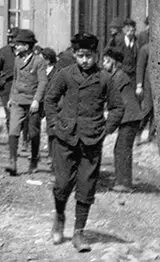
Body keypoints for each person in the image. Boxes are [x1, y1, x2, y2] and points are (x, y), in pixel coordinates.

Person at [45, 33, 125, 252]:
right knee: (61, 185)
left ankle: (79, 232)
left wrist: (107, 129)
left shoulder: (104, 79)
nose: (85, 60)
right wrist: (54, 123)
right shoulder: (64, 75)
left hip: (91, 139)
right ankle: (59, 215)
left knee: (86, 187)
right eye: (80, 56)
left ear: (96, 55)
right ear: (74, 54)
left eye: (89, 56)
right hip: (65, 137)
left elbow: (118, 107)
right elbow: (50, 99)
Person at [4, 29, 47, 176]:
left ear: (27, 46)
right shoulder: (17, 60)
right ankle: (12, 162)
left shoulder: (39, 61)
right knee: (13, 129)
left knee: (34, 133)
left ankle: (34, 159)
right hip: (18, 99)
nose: (16, 46)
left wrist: (36, 100)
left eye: (19, 44)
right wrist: (11, 97)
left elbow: (42, 82)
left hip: (32, 101)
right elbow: (15, 80)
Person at [100, 47, 142, 193]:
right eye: (103, 61)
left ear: (115, 63)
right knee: (120, 149)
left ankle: (125, 184)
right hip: (128, 118)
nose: (104, 64)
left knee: (122, 149)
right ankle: (122, 181)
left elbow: (108, 95)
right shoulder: (116, 76)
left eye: (107, 61)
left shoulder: (119, 77)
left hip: (130, 118)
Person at [0, 28, 18, 129]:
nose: (11, 40)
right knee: (10, 115)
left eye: (13, 38)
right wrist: (1, 82)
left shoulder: (25, 53)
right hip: (7, 87)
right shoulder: (3, 51)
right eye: (10, 38)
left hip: (21, 88)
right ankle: (11, 140)